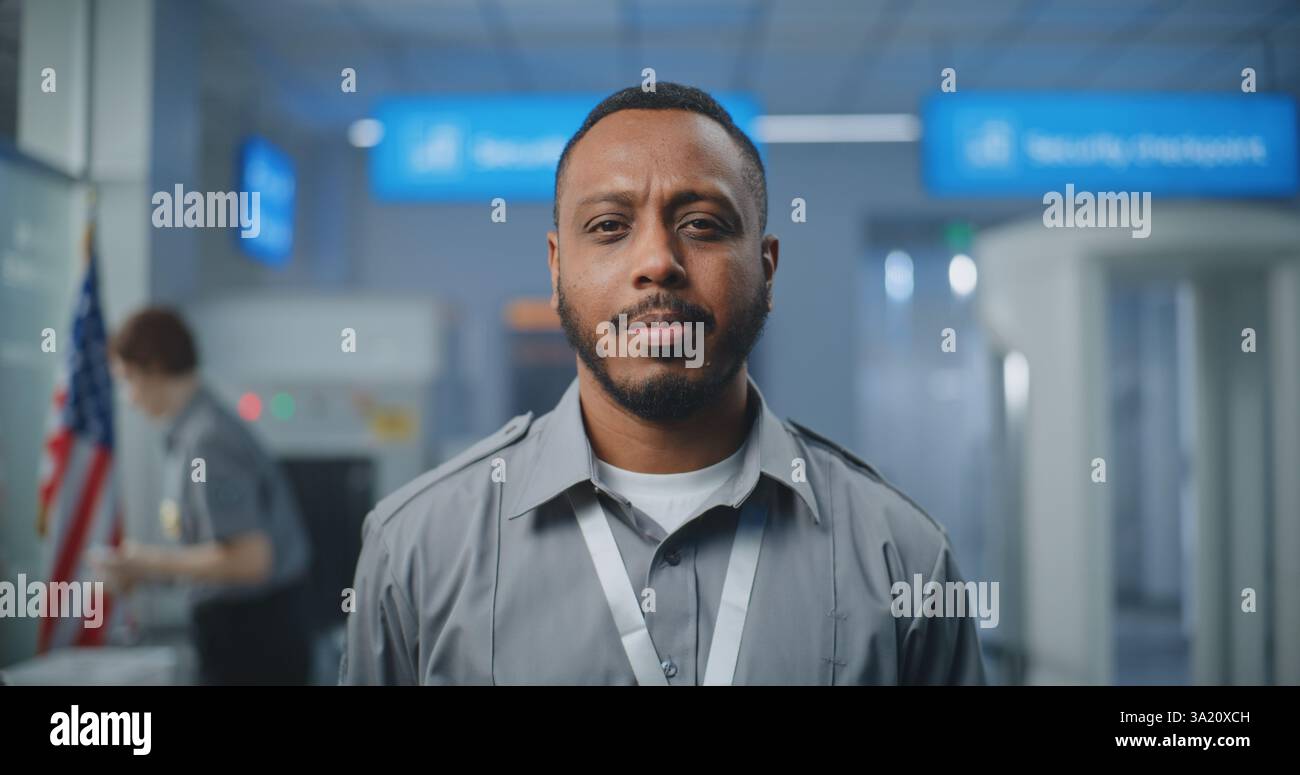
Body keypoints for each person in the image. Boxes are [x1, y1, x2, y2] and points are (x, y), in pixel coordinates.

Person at [340, 83, 987, 685]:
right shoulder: (416, 551)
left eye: (702, 223)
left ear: (766, 269)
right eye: (609, 227)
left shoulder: (903, 557)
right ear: (557, 268)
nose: (657, 262)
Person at [96, 307, 313, 685]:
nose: (129, 399)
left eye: (128, 379)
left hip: (254, 643)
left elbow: (250, 560)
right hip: (242, 634)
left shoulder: (208, 440)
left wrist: (147, 564)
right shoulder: (191, 434)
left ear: (155, 367)